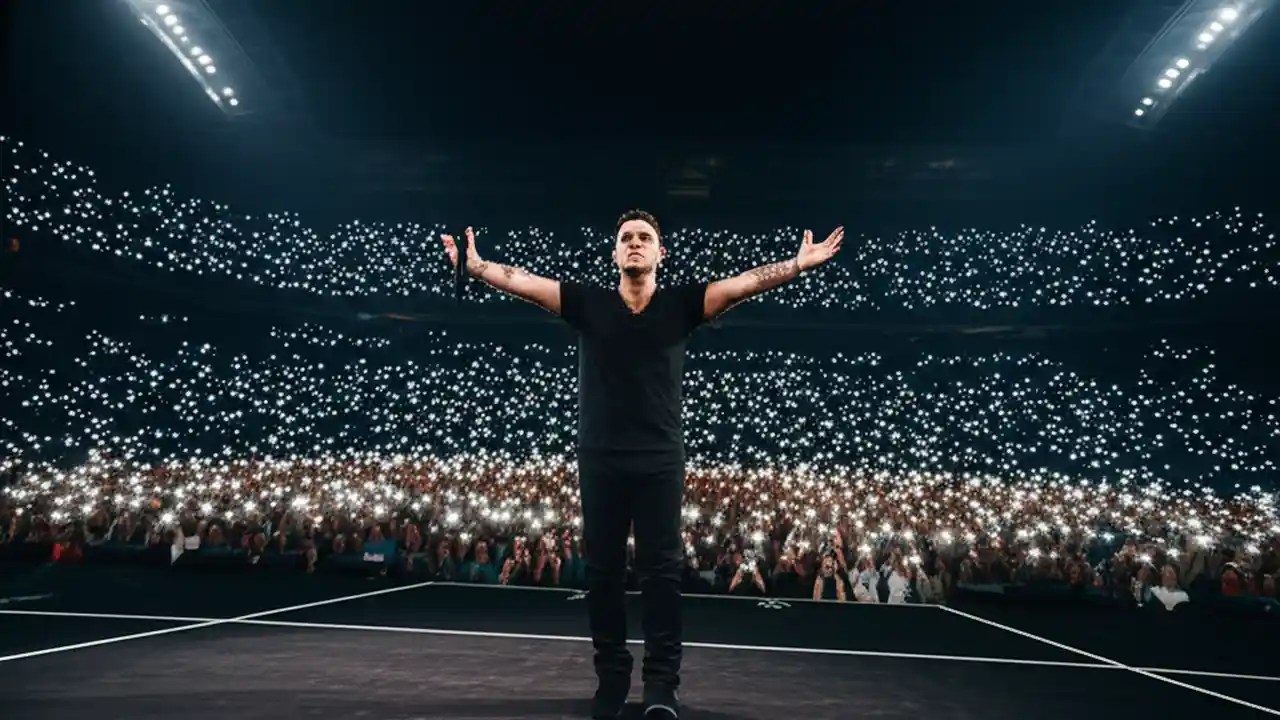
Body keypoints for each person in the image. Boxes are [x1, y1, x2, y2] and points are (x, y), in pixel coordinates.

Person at [442, 211, 843, 718]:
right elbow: (526, 283)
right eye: (626, 238)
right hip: (600, 456)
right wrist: (477, 267)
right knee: (603, 575)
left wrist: (796, 265)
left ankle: (661, 686)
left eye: (645, 238)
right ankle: (612, 681)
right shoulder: (588, 303)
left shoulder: (681, 305)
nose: (635, 243)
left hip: (659, 459)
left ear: (660, 253)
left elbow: (742, 285)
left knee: (662, 575)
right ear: (614, 253)